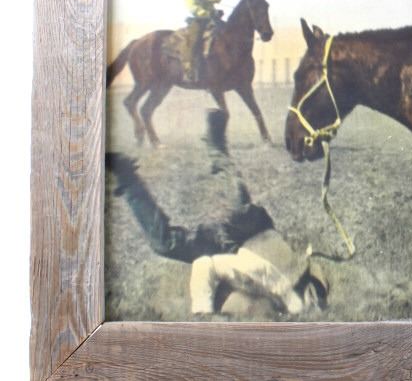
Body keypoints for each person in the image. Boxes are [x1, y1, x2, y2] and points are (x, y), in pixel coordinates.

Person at [106, 109, 327, 317]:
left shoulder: (281, 279)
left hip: (236, 242)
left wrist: (203, 314)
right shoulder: (292, 284)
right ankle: (214, 143)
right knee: (233, 213)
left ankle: (128, 177)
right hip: (249, 232)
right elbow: (307, 271)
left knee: (166, 243)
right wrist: (203, 315)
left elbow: (207, 265)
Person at [182, 0, 223, 82]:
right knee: (193, 41)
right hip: (199, 18)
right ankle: (189, 71)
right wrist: (205, 12)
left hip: (214, 16)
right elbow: (192, 7)